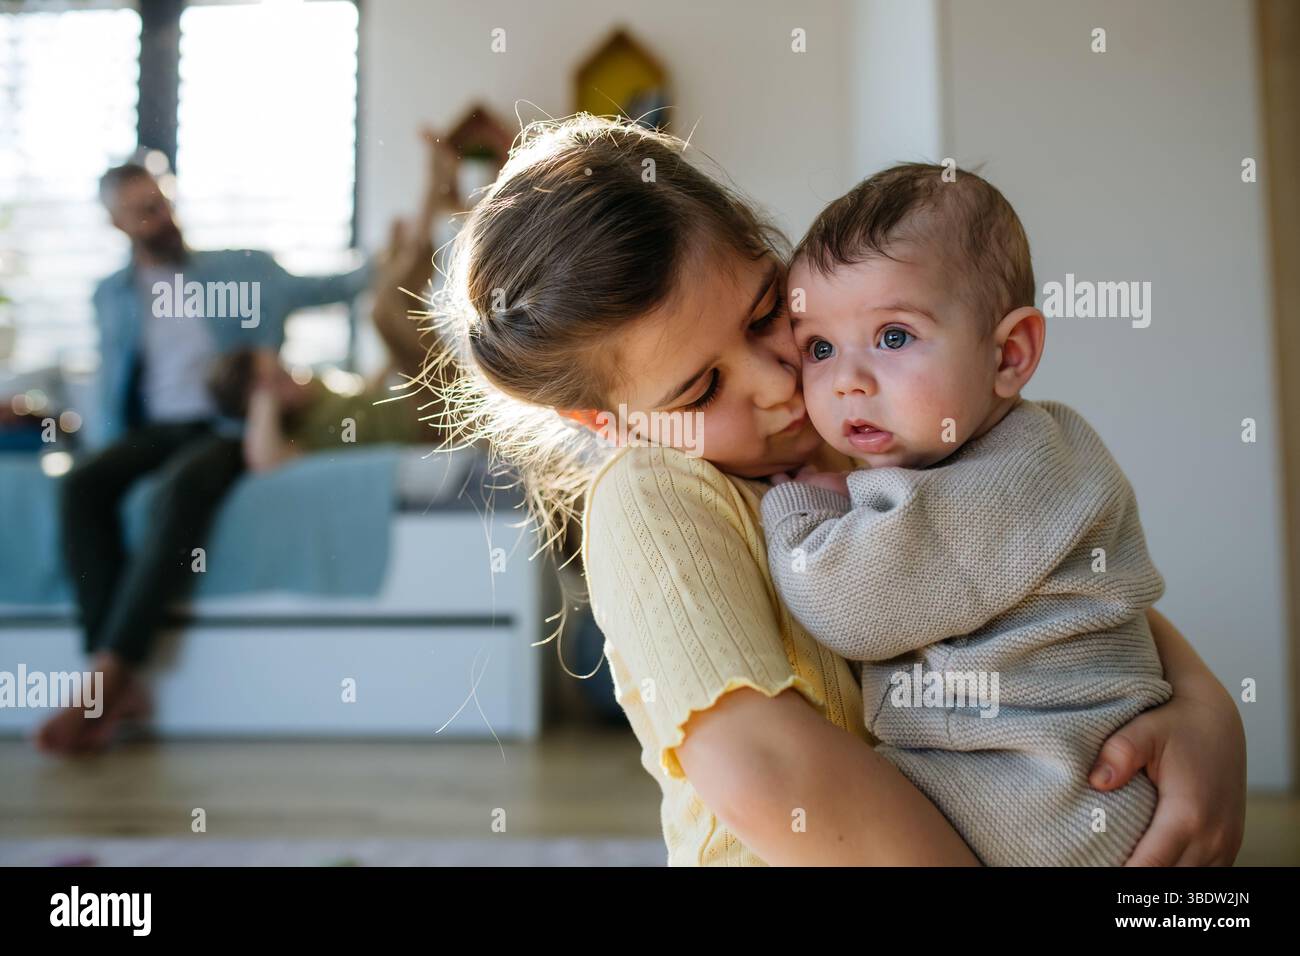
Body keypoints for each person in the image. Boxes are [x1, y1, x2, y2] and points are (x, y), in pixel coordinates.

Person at [427, 114, 1246, 865]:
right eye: (702, 389)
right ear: (607, 422)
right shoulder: (654, 498)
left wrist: (1210, 717)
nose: (779, 385)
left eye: (762, 316)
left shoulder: (868, 429)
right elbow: (771, 771)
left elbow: (1063, 582)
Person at [759, 164, 1170, 865]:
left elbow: (846, 606)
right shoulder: (1027, 446)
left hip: (1045, 804)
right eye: (819, 348)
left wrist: (796, 509)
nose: (847, 380)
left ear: (1009, 354)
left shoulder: (1009, 479)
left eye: (893, 336)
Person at [39, 162, 371, 754]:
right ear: (117, 223)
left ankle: (110, 676)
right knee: (81, 484)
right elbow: (116, 378)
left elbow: (341, 287)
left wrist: (413, 237)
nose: (160, 217)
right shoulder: (110, 295)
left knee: (180, 487)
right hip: (151, 430)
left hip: (224, 426)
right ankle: (112, 669)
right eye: (143, 210)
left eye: (162, 202)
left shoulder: (241, 270)